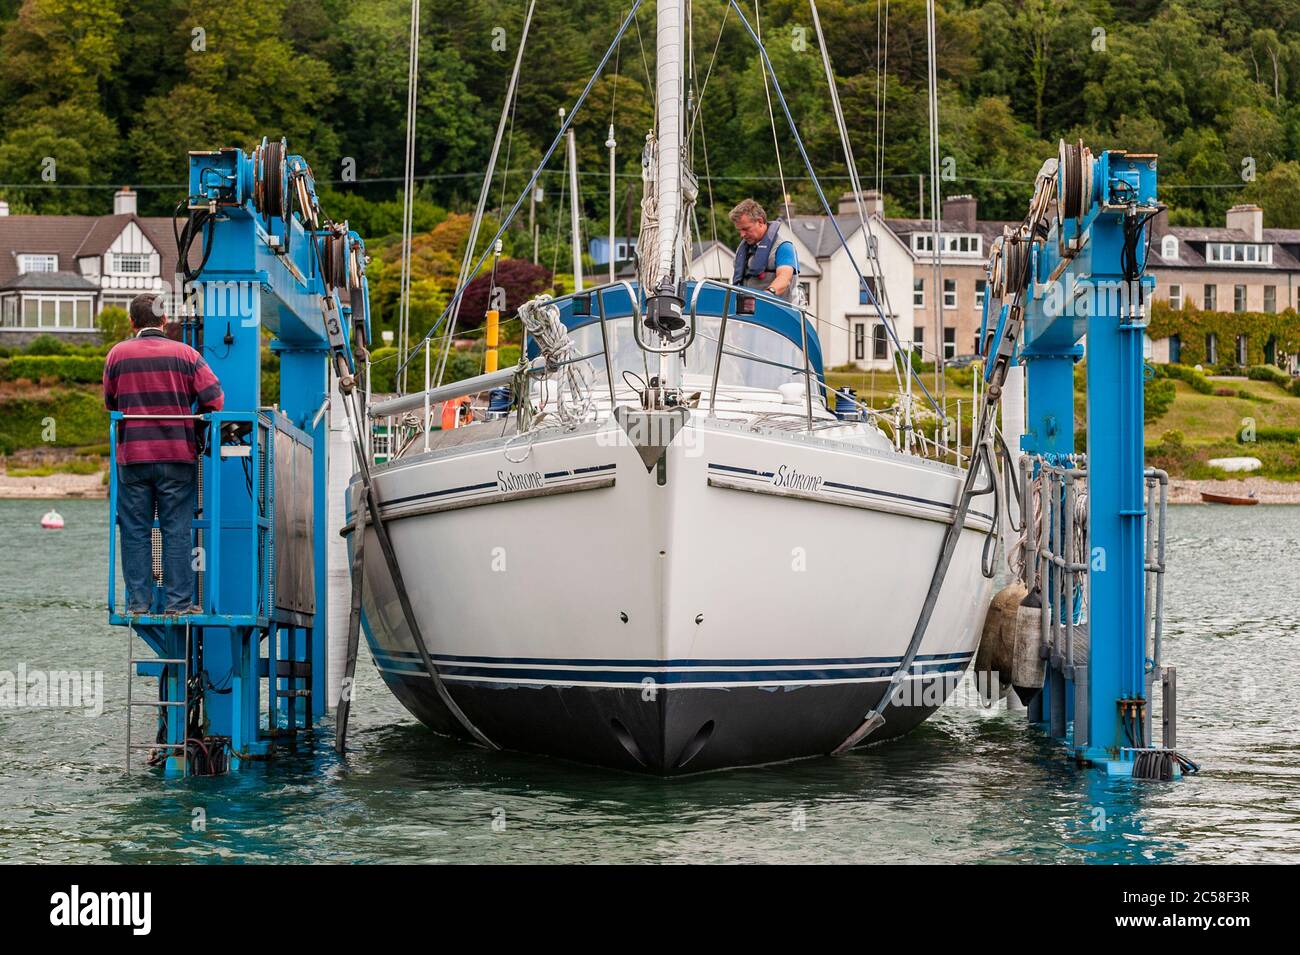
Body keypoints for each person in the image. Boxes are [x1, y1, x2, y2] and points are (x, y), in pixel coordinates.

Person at [104, 293, 224, 615]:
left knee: (134, 531)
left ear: (132, 322)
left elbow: (111, 402)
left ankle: (138, 603)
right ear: (164, 320)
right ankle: (178, 604)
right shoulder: (186, 354)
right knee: (176, 530)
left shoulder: (117, 355)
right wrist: (196, 429)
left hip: (133, 457)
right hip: (176, 455)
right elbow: (214, 398)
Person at [729, 198, 799, 303]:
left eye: (746, 229)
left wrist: (767, 295)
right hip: (745, 314)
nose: (742, 235)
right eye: (739, 230)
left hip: (776, 312)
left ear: (760, 222)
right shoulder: (743, 249)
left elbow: (785, 278)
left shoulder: (784, 247)